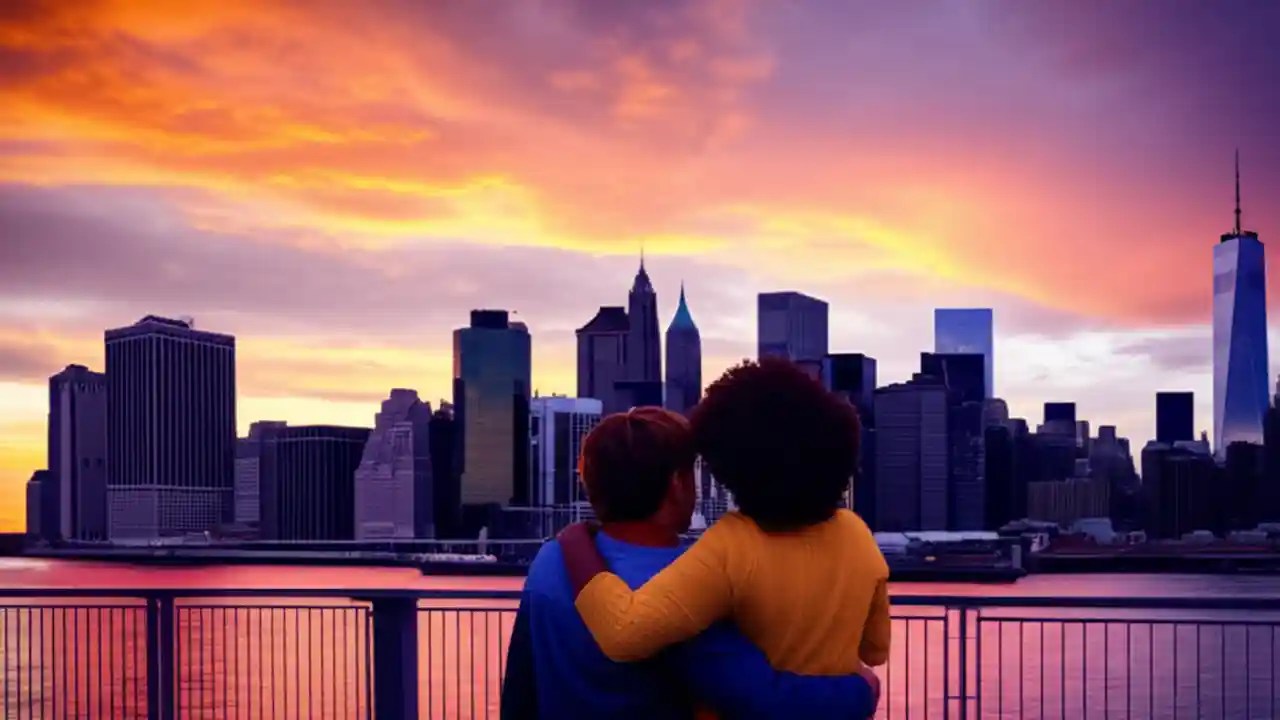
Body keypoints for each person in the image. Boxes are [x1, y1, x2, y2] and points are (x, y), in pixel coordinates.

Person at [501, 406, 879, 719]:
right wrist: (861, 689)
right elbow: (769, 702)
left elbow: (520, 690)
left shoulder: (551, 560)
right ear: (676, 484)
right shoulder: (690, 581)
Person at [559, 359, 891, 678]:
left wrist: (575, 541)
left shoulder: (731, 546)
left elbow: (623, 633)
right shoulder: (856, 534)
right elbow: (875, 650)